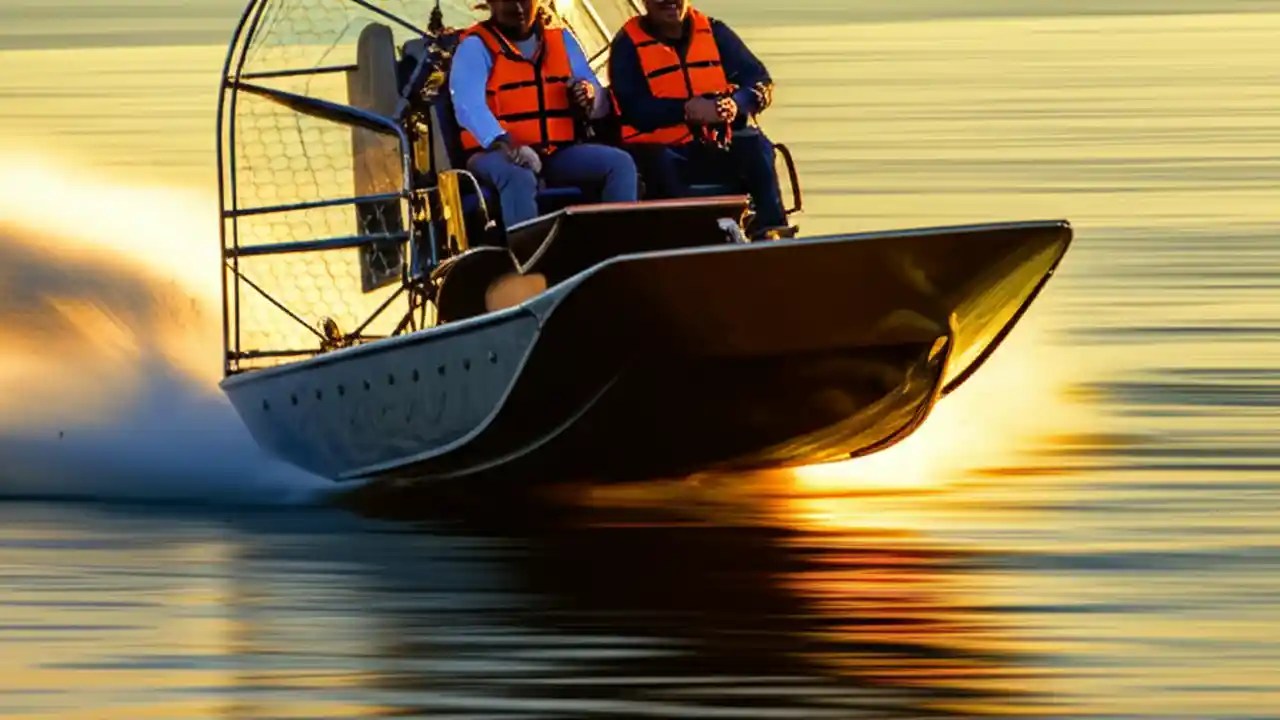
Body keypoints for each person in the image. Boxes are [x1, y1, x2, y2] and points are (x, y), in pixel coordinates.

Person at [608, 0, 792, 238]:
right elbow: (634, 108)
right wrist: (686, 110)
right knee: (659, 164)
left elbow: (759, 80)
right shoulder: (627, 44)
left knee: (755, 144)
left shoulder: (715, 32)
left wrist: (733, 105)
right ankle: (683, 239)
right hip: (659, 151)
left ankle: (771, 232)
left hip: (714, 145)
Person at [449, 0, 638, 228]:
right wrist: (507, 144)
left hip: (555, 152)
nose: (518, 8)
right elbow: (468, 107)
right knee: (518, 177)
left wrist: (589, 95)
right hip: (495, 153)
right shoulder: (475, 47)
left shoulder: (562, 40)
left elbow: (599, 99)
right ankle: (528, 249)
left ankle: (618, 242)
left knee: (619, 164)